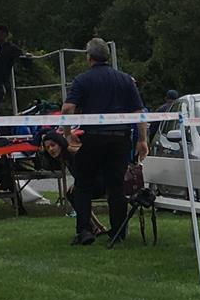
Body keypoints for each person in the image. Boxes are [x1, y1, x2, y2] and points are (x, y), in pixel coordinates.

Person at [60, 37, 148, 246]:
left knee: (83, 184)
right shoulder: (126, 79)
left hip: (93, 138)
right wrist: (142, 140)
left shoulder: (82, 80)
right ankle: (118, 233)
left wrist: (67, 133)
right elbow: (139, 113)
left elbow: (67, 109)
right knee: (116, 187)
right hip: (120, 139)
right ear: (107, 57)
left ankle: (84, 231)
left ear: (88, 57)